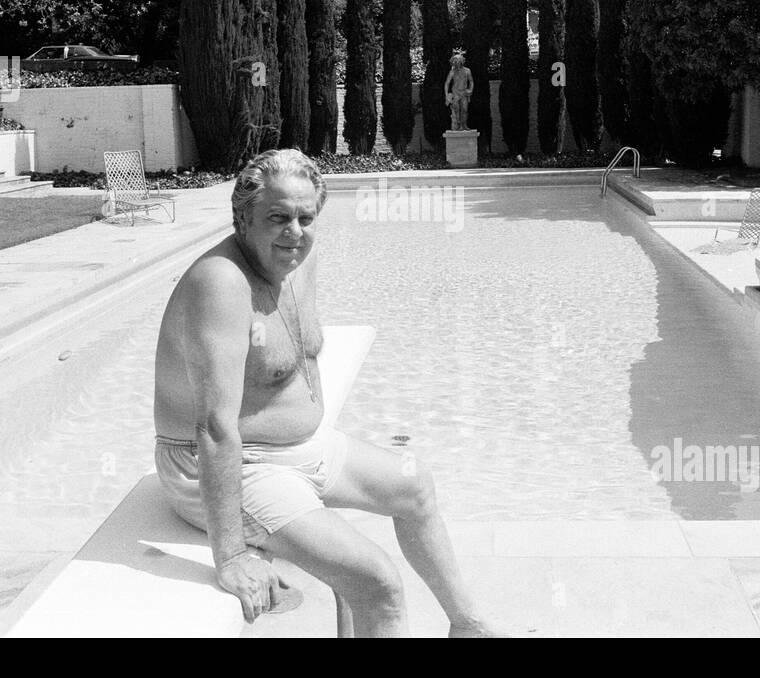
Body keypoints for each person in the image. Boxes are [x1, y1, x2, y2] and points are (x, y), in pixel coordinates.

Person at [153, 149, 502, 638]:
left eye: (304, 217)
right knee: (377, 581)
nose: (293, 231)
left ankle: (468, 625)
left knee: (415, 485)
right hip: (225, 465)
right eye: (277, 218)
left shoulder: (298, 259)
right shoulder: (221, 284)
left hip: (294, 452)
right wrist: (231, 554)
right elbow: (214, 428)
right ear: (243, 219)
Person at [444, 54, 473, 131]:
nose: (456, 63)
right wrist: (446, 94)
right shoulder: (452, 72)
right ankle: (458, 126)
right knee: (457, 110)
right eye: (454, 62)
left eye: (457, 61)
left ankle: (464, 125)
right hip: (456, 93)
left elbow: (471, 81)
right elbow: (447, 83)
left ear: (461, 61)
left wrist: (471, 90)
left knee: (465, 109)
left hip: (464, 93)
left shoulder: (467, 71)